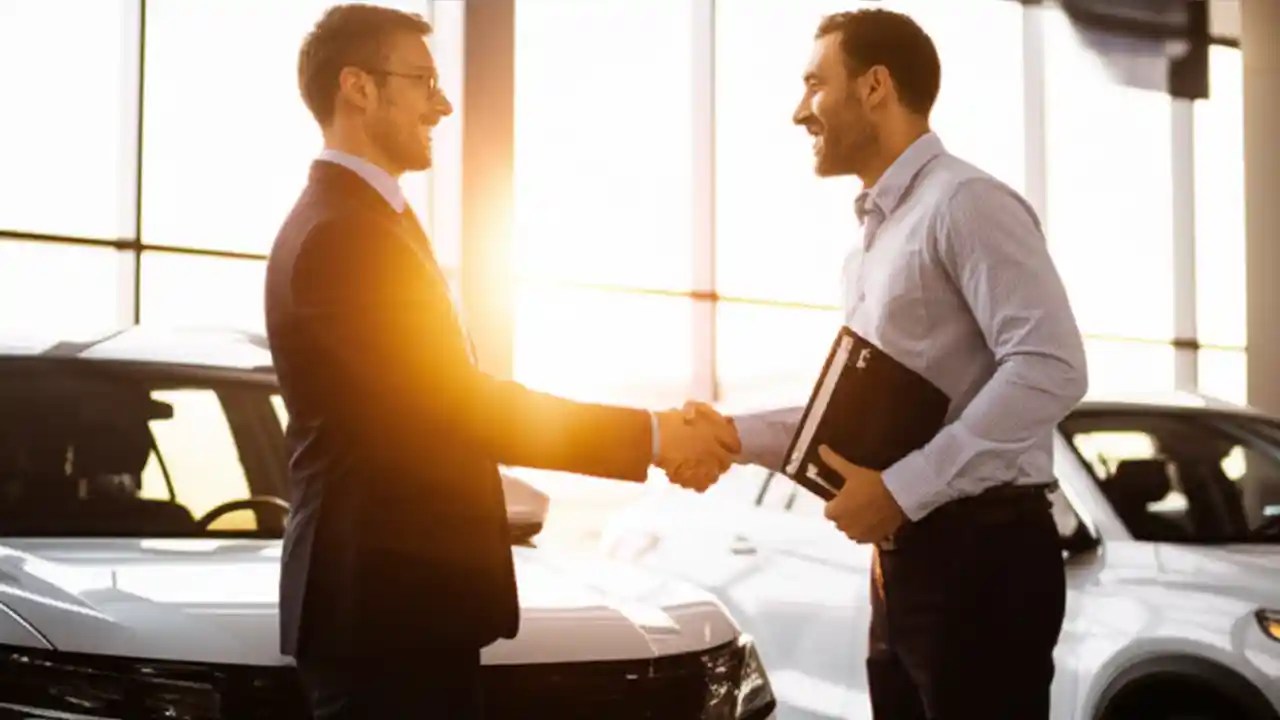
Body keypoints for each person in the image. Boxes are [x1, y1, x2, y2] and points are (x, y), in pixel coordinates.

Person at [263, 5, 737, 718]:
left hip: (393, 606)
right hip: (385, 611)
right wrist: (658, 436)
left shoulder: (360, 220)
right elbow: (460, 407)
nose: (443, 103)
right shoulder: (345, 235)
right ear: (357, 87)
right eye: (422, 80)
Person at [685, 9, 1089, 719]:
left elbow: (1051, 366)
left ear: (874, 86)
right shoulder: (874, 242)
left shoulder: (965, 204)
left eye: (815, 84)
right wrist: (729, 435)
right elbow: (856, 415)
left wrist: (902, 489)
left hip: (984, 560)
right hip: (909, 561)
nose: (798, 112)